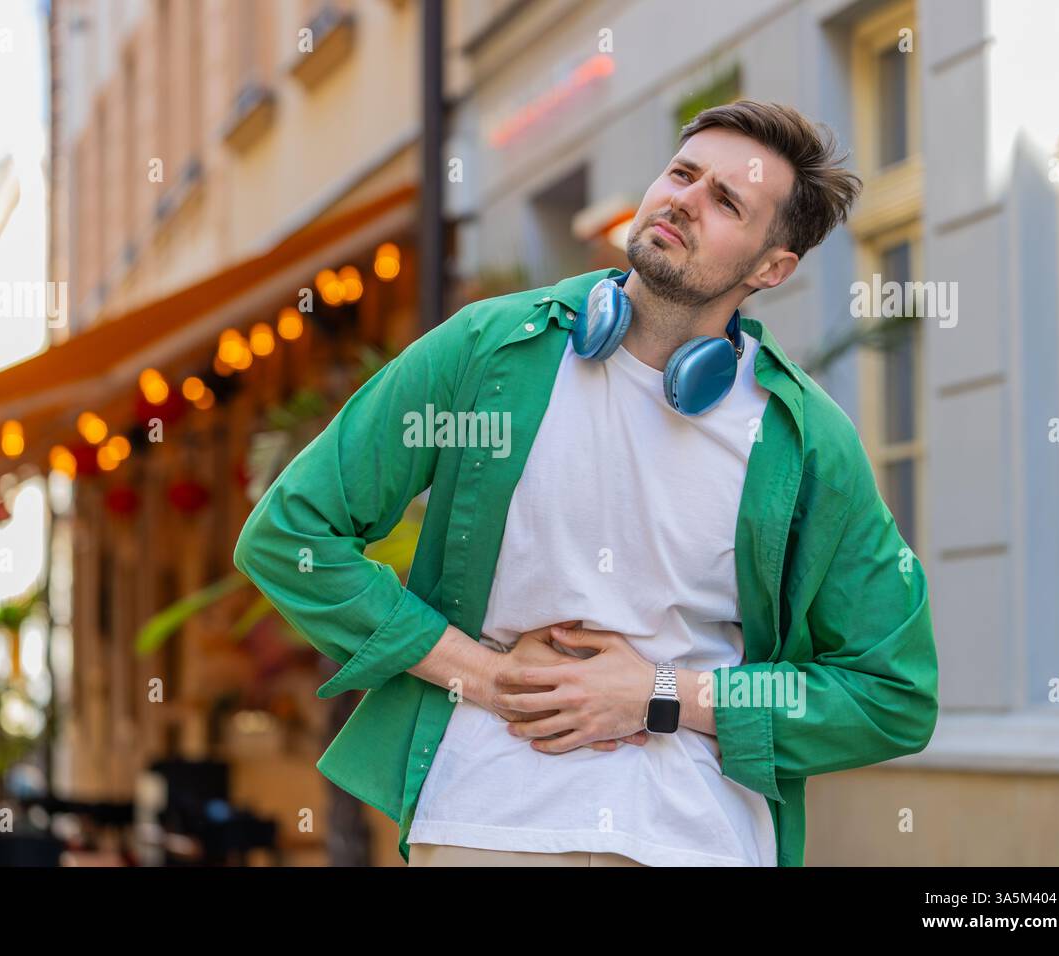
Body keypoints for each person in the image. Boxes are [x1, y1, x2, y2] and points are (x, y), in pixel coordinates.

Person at [234, 100, 939, 867]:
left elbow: (890, 693)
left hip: (698, 839)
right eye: (682, 173)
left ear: (772, 268)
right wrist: (487, 676)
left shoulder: (805, 439)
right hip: (490, 824)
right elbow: (292, 534)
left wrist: (664, 694)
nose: (684, 200)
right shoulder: (487, 349)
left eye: (726, 201)